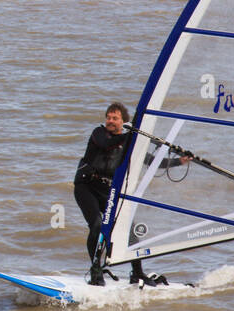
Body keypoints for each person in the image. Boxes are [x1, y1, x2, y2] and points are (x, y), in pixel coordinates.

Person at [74, 103, 187, 286]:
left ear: (123, 122)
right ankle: (95, 270)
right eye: (109, 117)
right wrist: (133, 135)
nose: (110, 121)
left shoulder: (128, 143)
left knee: (130, 231)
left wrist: (179, 162)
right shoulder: (99, 133)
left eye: (115, 118)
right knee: (96, 226)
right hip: (86, 187)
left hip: (108, 192)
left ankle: (137, 273)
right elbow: (107, 144)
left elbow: (153, 161)